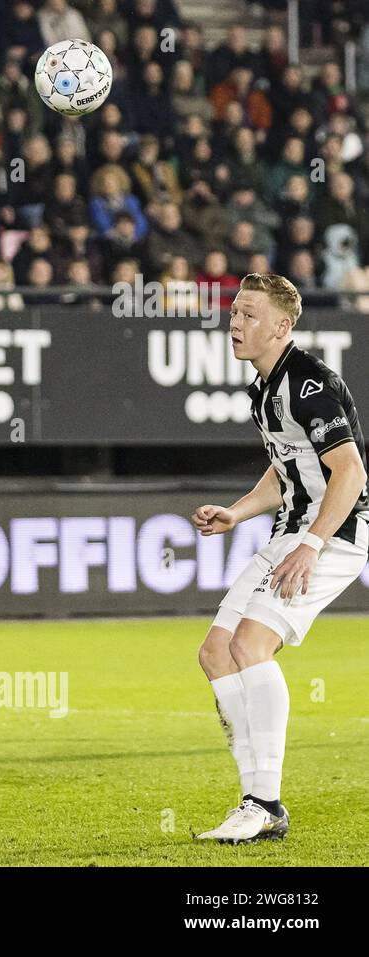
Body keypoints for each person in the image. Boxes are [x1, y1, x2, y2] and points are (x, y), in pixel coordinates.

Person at [193, 273, 369, 843]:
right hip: (290, 530)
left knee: (250, 645)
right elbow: (288, 467)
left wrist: (313, 546)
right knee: (217, 653)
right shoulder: (265, 388)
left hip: (335, 533)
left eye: (247, 315)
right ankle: (257, 804)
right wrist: (237, 513)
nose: (234, 323)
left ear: (282, 326)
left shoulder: (310, 383)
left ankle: (264, 802)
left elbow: (350, 472)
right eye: (234, 312)